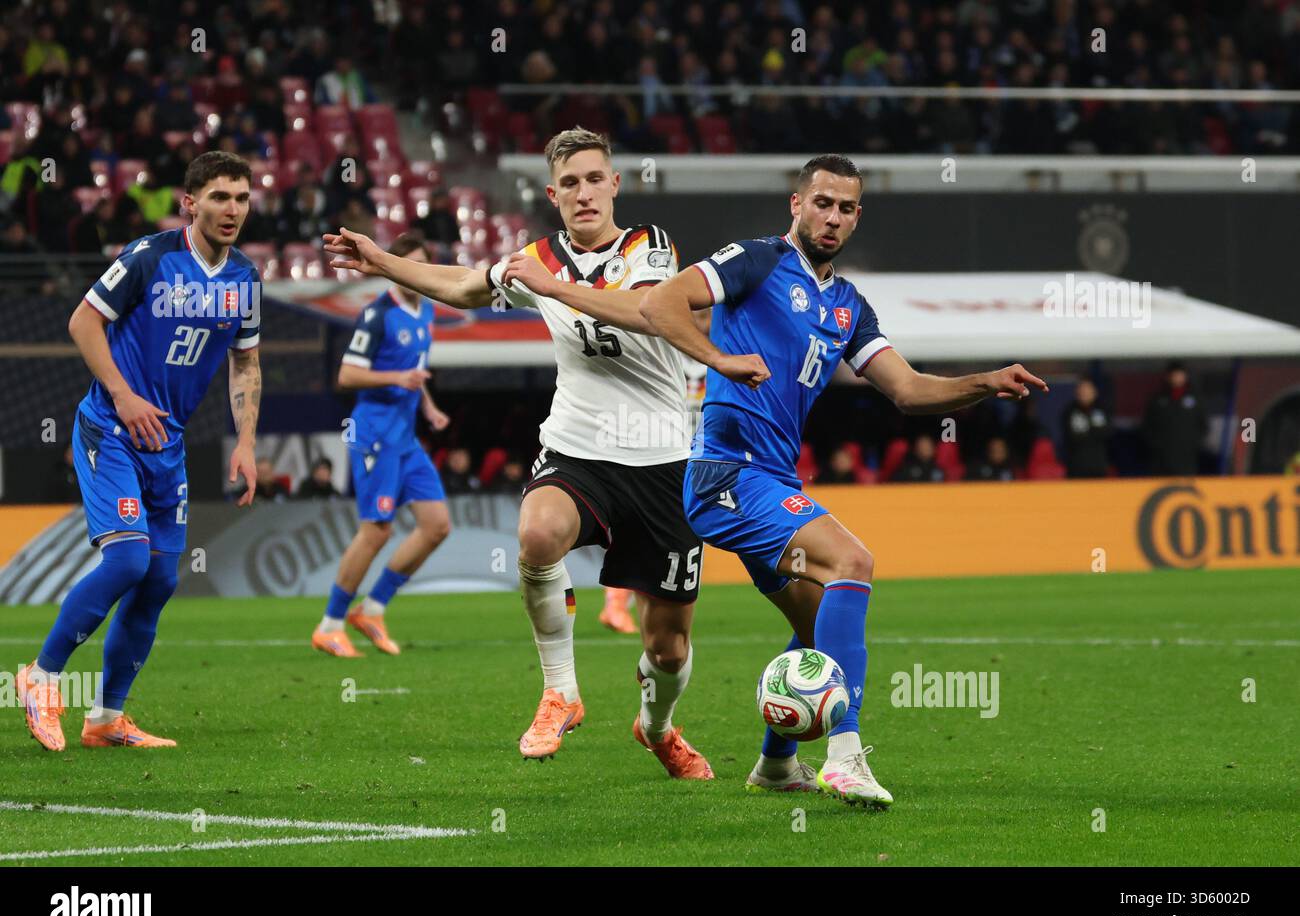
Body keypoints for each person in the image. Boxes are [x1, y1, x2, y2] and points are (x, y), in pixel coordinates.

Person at [638, 154, 1046, 806]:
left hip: (767, 478)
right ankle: (846, 757)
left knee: (816, 626)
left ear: (858, 217)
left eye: (846, 207)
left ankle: (775, 765)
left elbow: (908, 391)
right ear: (796, 204)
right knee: (852, 561)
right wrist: (720, 359)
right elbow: (661, 302)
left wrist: (984, 383)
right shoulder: (757, 260)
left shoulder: (848, 307)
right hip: (725, 474)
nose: (832, 216)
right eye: (821, 202)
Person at [324, 127, 713, 779]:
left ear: (615, 184)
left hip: (662, 461)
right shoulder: (536, 257)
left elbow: (642, 311)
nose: (584, 193)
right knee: (537, 536)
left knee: (668, 648)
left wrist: (547, 286)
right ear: (552, 193)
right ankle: (560, 691)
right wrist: (385, 262)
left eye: (595, 179)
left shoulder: (653, 248)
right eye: (570, 183)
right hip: (577, 448)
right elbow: (465, 285)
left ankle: (658, 727)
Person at [16, 151, 262, 751]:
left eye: (242, 198)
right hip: (111, 429)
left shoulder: (245, 279)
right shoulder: (149, 258)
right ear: (190, 204)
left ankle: (105, 719)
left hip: (168, 445)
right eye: (220, 197)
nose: (232, 209)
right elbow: (82, 322)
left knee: (156, 581)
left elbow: (246, 363)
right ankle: (41, 678)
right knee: (127, 562)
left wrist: (247, 443)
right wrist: (123, 396)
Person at [312, 234, 452, 658]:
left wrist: (428, 406)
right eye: (405, 264)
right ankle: (330, 624)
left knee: (437, 525)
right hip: (372, 433)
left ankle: (371, 610)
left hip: (404, 436)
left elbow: (416, 370)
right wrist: (397, 381)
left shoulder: (425, 309)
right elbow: (347, 376)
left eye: (419, 265)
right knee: (377, 529)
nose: (413, 273)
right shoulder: (377, 314)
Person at [1142, 361, 1205, 476]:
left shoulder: (1195, 399)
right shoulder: (1158, 399)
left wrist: (1191, 443)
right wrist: (1157, 445)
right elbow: (1147, 426)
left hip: (1187, 457)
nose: (1177, 378)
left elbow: (1203, 425)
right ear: (1168, 377)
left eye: (1180, 375)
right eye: (1174, 375)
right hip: (1162, 458)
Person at [1061, 378, 1110, 478]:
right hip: (1076, 466)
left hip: (1099, 466)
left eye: (1088, 390)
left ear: (1095, 392)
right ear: (1077, 392)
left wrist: (1089, 431)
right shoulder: (1070, 411)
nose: (1085, 393)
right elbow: (1070, 436)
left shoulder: (1103, 409)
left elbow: (1108, 432)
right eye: (1082, 390)